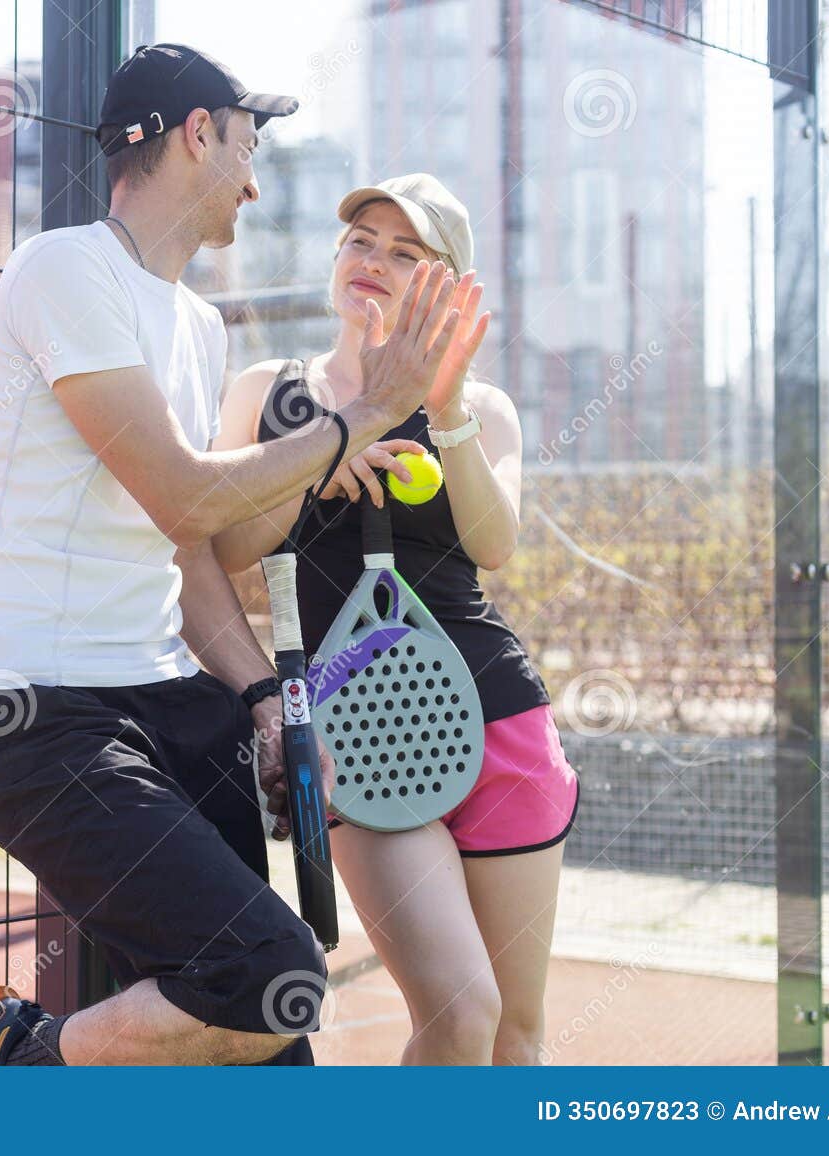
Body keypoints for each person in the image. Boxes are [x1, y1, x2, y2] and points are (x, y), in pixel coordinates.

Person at [0, 46, 484, 1065]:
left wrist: (260, 698)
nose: (256, 175)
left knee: (269, 1028)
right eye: (248, 141)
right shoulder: (64, 269)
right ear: (199, 133)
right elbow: (183, 487)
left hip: (169, 701)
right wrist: (359, 416)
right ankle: (21, 1055)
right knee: (265, 971)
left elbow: (184, 540)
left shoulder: (195, 323)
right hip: (33, 712)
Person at [210, 173, 579, 1066]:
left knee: (517, 1033)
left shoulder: (483, 410)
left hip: (499, 717)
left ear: (446, 287)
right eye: (360, 242)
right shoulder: (271, 391)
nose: (372, 262)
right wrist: (318, 457)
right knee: (460, 1014)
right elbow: (218, 551)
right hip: (354, 733)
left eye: (404, 252)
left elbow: (494, 546)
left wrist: (445, 410)